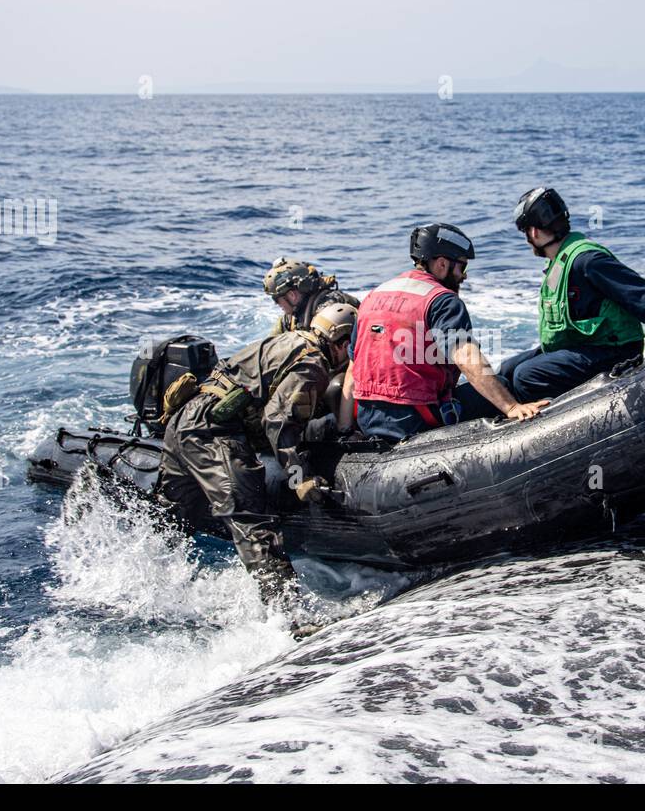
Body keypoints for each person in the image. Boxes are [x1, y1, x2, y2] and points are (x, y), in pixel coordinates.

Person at [160, 302, 358, 606]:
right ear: (342, 343)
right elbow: (278, 420)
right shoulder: (312, 363)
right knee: (252, 521)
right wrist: (299, 477)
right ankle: (290, 613)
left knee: (173, 516)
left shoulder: (289, 340)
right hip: (213, 432)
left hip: (183, 423)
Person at [340, 223, 548, 441]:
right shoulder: (443, 301)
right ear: (441, 264)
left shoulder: (373, 296)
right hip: (415, 419)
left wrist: (344, 429)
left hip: (367, 417)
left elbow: (352, 370)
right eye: (462, 268)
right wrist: (512, 407)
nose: (464, 276)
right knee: (503, 385)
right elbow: (466, 357)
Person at [499, 187, 645, 402]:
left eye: (525, 233)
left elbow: (640, 294)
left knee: (527, 376)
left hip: (616, 351)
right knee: (508, 369)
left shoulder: (586, 259)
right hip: (584, 345)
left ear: (533, 232)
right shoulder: (559, 261)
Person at [263, 258, 360, 336]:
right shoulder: (289, 319)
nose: (276, 303)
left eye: (276, 299)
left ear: (292, 295)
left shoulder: (329, 312)